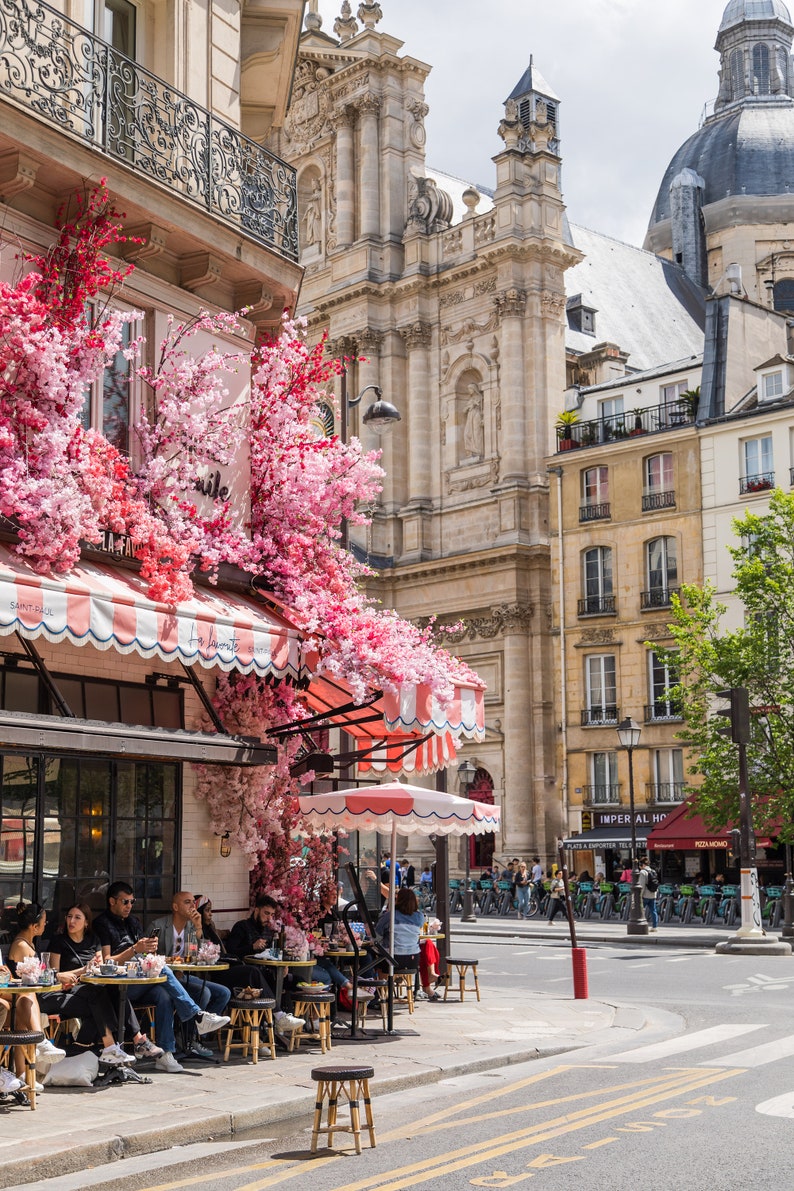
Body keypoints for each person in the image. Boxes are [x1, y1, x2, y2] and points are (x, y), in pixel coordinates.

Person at [94, 882, 230, 1074]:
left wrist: (148, 949)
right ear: (112, 901)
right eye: (125, 902)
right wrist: (135, 949)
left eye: (132, 901)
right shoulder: (102, 923)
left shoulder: (133, 922)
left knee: (164, 996)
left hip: (142, 977)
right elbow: (106, 961)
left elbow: (144, 955)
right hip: (119, 983)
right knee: (164, 969)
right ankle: (197, 1015)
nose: (129, 906)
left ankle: (165, 1054)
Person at [9, 901, 134, 1069]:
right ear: (34, 926)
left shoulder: (28, 943)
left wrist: (66, 977)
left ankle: (89, 1048)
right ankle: (99, 1048)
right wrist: (67, 976)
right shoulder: (23, 946)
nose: (46, 924)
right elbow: (37, 979)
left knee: (98, 999)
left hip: (45, 994)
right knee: (97, 1000)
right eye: (44, 921)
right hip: (38, 998)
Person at [49, 902, 163, 1061]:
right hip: (70, 988)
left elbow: (101, 968)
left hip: (92, 986)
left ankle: (135, 1041)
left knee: (114, 990)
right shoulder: (59, 941)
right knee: (98, 994)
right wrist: (82, 971)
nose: (71, 921)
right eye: (69, 917)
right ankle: (114, 1046)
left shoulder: (93, 939)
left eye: (77, 917)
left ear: (86, 922)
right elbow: (54, 974)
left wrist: (95, 967)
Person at [224, 894, 305, 1036]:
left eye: (272, 915)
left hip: (266, 973)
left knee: (298, 981)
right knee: (254, 972)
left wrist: (283, 965)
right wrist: (251, 947)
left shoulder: (269, 932)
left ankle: (290, 1027)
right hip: (243, 975)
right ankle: (277, 1018)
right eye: (266, 913)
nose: (269, 918)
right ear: (256, 911)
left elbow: (272, 954)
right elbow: (230, 951)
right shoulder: (242, 927)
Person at [149, 892, 231, 1024]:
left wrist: (198, 926)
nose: (193, 906)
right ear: (175, 907)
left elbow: (200, 955)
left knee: (224, 993)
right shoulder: (158, 926)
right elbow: (147, 957)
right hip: (164, 978)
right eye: (187, 902)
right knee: (204, 993)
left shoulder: (192, 927)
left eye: (193, 902)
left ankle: (198, 1034)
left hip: (183, 975)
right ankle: (186, 1036)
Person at [376, 887, 423, 974]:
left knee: (375, 957)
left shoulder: (390, 915)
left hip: (392, 958)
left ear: (398, 900)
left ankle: (382, 985)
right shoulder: (420, 917)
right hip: (413, 959)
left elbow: (376, 936)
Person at [637, 857, 659, 931]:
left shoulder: (643, 872)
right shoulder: (653, 871)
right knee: (653, 911)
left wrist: (640, 895)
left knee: (640, 910)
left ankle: (641, 924)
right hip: (653, 894)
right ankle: (655, 926)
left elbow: (642, 885)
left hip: (645, 895)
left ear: (642, 865)